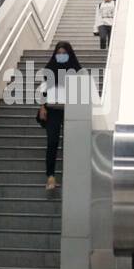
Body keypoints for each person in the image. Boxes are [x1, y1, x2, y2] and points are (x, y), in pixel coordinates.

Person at [37, 42, 82, 191]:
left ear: (69, 54)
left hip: (71, 110)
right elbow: (44, 89)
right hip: (52, 110)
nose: (61, 56)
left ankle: (73, 178)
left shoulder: (76, 70)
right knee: (52, 141)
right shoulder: (49, 69)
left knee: (72, 143)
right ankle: (50, 177)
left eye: (64, 53)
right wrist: (42, 106)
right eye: (59, 53)